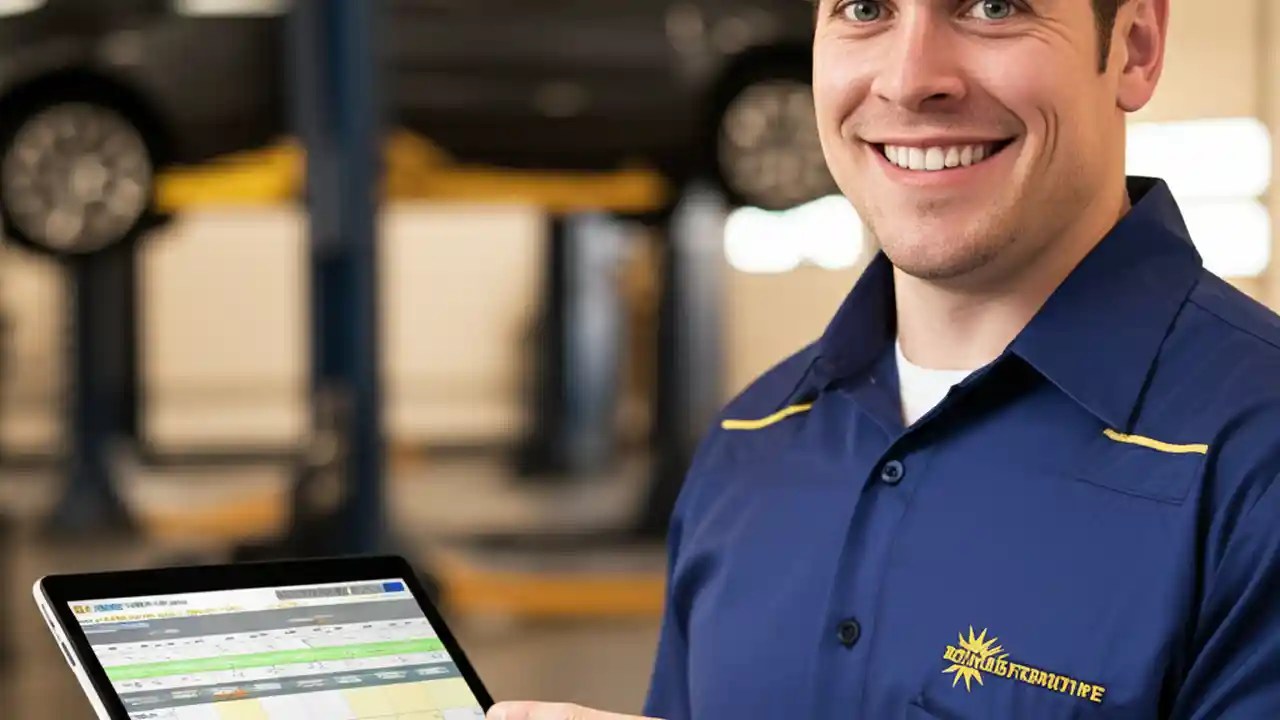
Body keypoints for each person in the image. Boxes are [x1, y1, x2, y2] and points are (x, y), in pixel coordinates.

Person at [489, 0, 1280, 717]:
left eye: (992, 7)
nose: (909, 80)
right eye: (865, 9)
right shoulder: (753, 439)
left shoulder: (1257, 458)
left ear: (1135, 46)